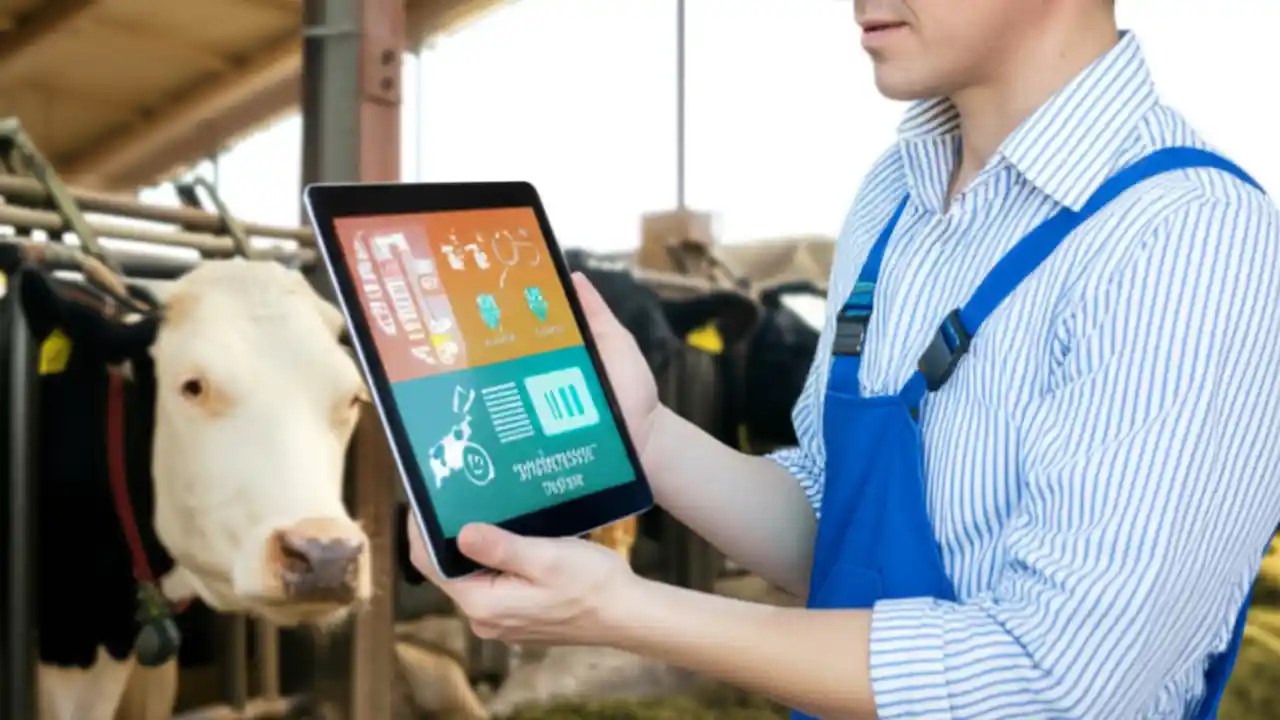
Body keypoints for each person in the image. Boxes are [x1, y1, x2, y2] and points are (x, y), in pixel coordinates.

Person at [406, 1, 1280, 717]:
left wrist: (621, 608)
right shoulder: (898, 193)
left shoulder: (1188, 239)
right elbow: (842, 536)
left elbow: (1055, 684)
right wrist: (646, 432)